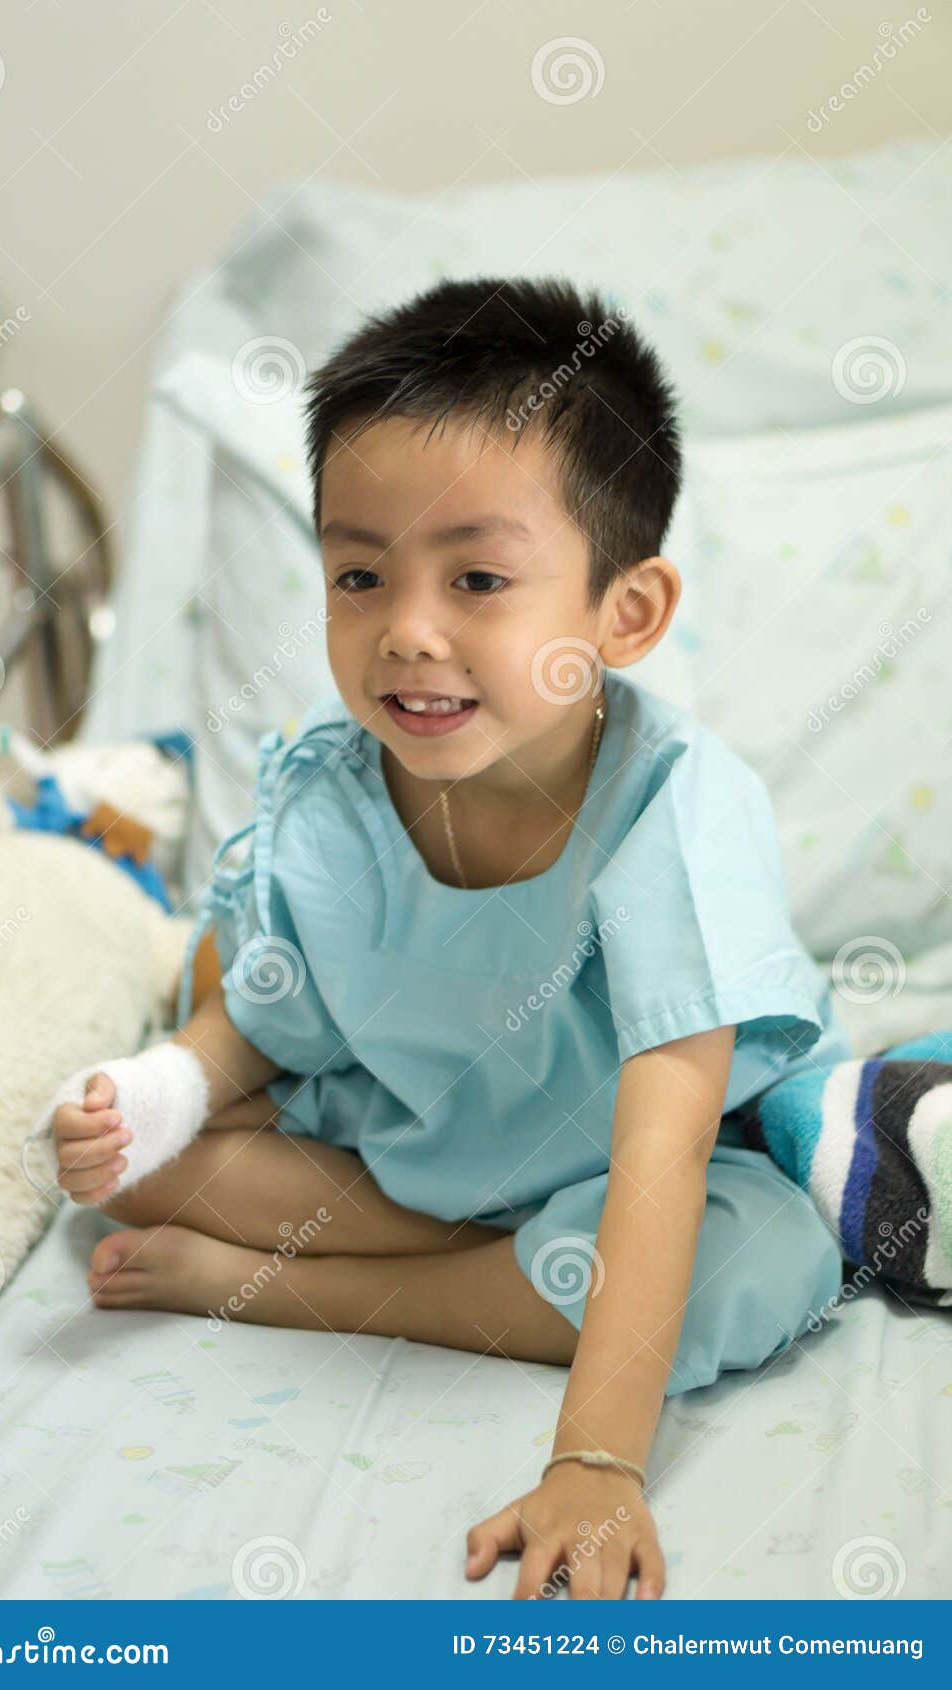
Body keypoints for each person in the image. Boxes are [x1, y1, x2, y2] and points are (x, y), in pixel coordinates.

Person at [45, 276, 851, 1600]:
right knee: (136, 1167)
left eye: (478, 577)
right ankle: (414, 1251)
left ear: (625, 614)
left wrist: (598, 1458)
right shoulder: (336, 784)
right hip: (417, 1144)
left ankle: (289, 1285)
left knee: (765, 1264)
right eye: (360, 572)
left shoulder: (674, 810)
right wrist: (165, 1086)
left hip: (629, 1180)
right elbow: (265, 1009)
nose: (407, 630)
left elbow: (660, 1144)